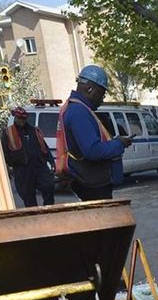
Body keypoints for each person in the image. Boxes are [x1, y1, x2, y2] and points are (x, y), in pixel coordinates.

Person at [56, 65, 132, 201]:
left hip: (88, 181)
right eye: (101, 94)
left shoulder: (76, 108)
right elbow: (92, 151)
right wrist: (119, 143)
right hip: (91, 185)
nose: (102, 100)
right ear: (90, 88)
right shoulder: (79, 111)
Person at [2, 106, 55, 208]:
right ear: (15, 118)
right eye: (19, 118)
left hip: (39, 166)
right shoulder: (8, 133)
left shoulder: (34, 130)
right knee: (28, 196)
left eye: (23, 119)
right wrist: (7, 166)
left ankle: (48, 211)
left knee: (48, 187)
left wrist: (51, 162)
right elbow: (4, 151)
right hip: (22, 169)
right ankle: (34, 217)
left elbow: (45, 147)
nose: (21, 121)